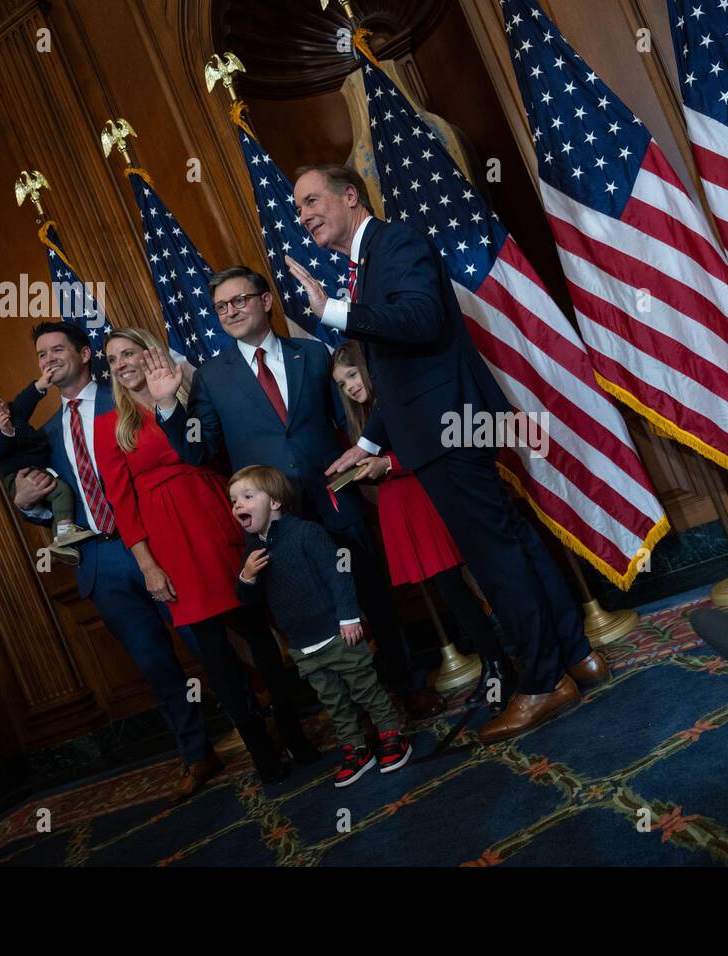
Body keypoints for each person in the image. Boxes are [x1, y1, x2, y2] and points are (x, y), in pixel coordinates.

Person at [283, 164, 610, 743]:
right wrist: (366, 440)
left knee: (494, 557)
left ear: (350, 195)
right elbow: (398, 367)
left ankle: (542, 682)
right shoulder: (367, 262)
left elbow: (419, 321)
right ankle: (577, 655)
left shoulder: (397, 241)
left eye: (312, 200)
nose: (303, 214)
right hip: (444, 422)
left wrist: (331, 311)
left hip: (451, 426)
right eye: (298, 206)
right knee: (511, 540)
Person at [142, 267, 443, 720]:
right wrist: (168, 404)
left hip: (335, 501)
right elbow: (197, 450)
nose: (230, 311)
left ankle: (407, 684)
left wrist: (384, 462)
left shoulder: (311, 354)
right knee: (306, 614)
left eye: (239, 300)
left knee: (370, 596)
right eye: (221, 306)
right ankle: (352, 714)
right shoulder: (211, 377)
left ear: (265, 301)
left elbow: (351, 426)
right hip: (275, 523)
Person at [93, 327, 320, 783]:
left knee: (259, 632)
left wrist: (168, 402)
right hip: (170, 542)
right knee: (215, 653)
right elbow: (121, 502)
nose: (120, 363)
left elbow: (211, 454)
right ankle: (264, 757)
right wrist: (147, 565)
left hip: (218, 520)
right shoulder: (108, 426)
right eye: (112, 359)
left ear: (149, 352)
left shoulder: (189, 398)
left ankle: (297, 737)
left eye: (128, 353)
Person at [12, 321, 216, 803]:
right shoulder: (42, 434)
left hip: (157, 543)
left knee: (207, 640)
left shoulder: (126, 398)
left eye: (57, 349)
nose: (48, 360)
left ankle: (258, 724)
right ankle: (198, 753)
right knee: (155, 665)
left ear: (86, 353)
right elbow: (54, 500)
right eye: (41, 355)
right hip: (100, 560)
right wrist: (25, 503)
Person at [330, 341, 513, 713]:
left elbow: (432, 443)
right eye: (341, 383)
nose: (349, 386)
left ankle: (503, 663)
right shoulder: (364, 418)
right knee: (451, 594)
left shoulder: (395, 402)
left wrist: (389, 465)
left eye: (352, 375)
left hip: (428, 497)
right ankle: (492, 664)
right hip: (402, 508)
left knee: (471, 584)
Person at [230, 465, 412, 787]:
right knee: (334, 701)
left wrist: (349, 615)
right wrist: (246, 577)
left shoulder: (306, 533)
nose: (239, 506)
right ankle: (356, 748)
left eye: (247, 497)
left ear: (274, 502)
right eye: (234, 502)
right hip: (303, 645)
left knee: (365, 688)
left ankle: (391, 734)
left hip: (338, 632)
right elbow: (250, 602)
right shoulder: (253, 551)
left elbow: (338, 572)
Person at [0, 376, 95, 564]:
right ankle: (64, 534)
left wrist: (40, 385)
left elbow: (23, 402)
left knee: (59, 493)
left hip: (39, 468)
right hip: (20, 477)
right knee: (61, 491)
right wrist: (5, 432)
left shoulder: (12, 415)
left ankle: (62, 542)